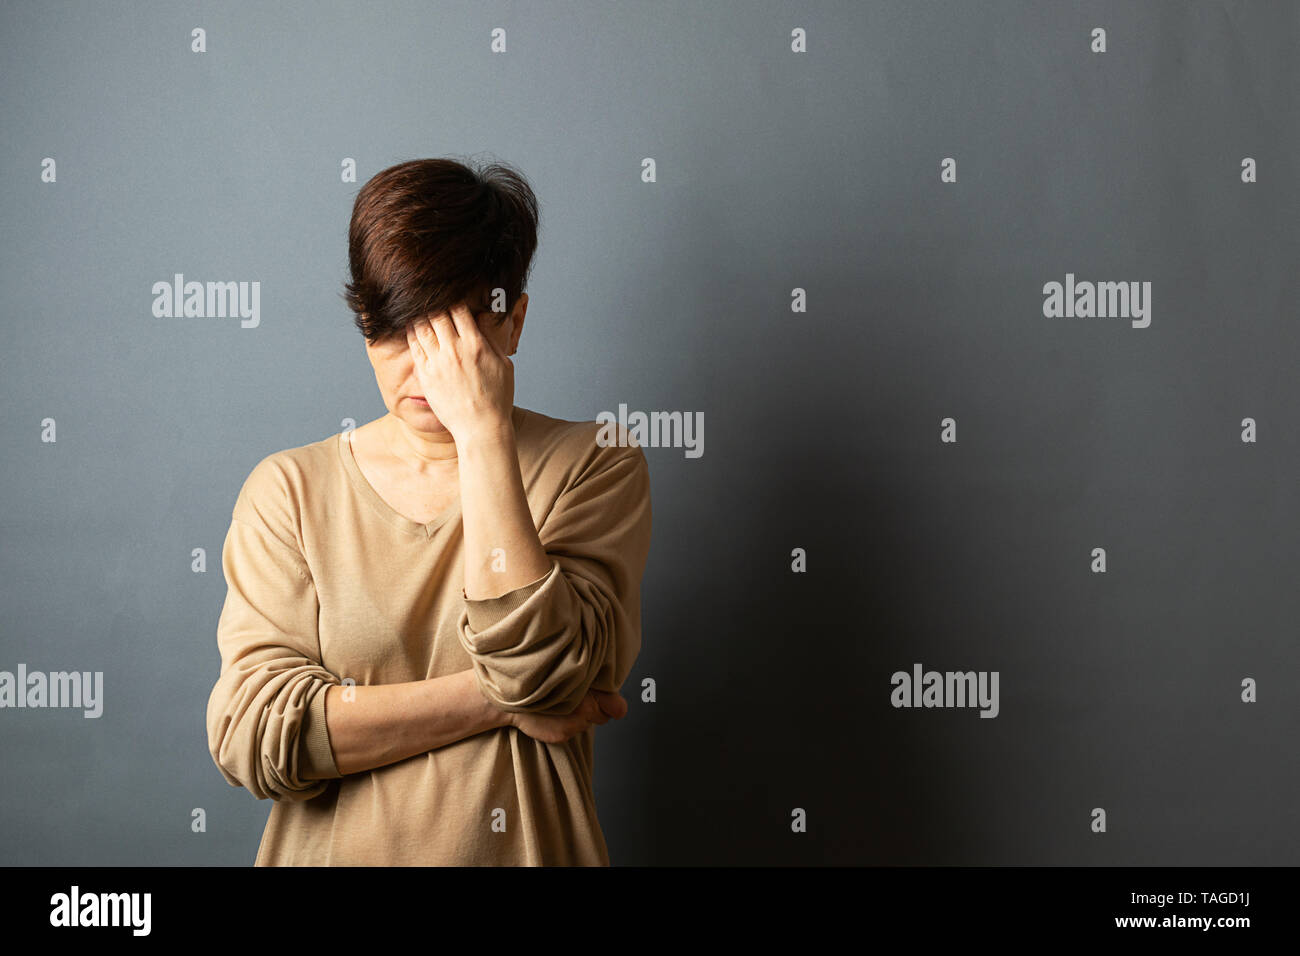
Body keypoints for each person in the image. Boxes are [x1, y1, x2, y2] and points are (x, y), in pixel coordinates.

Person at [204, 157, 652, 865]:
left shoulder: (594, 463)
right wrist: (501, 701)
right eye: (396, 329)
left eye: (452, 332)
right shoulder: (290, 490)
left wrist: (483, 435)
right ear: (363, 322)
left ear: (513, 322)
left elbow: (542, 671)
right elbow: (256, 736)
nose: (425, 366)